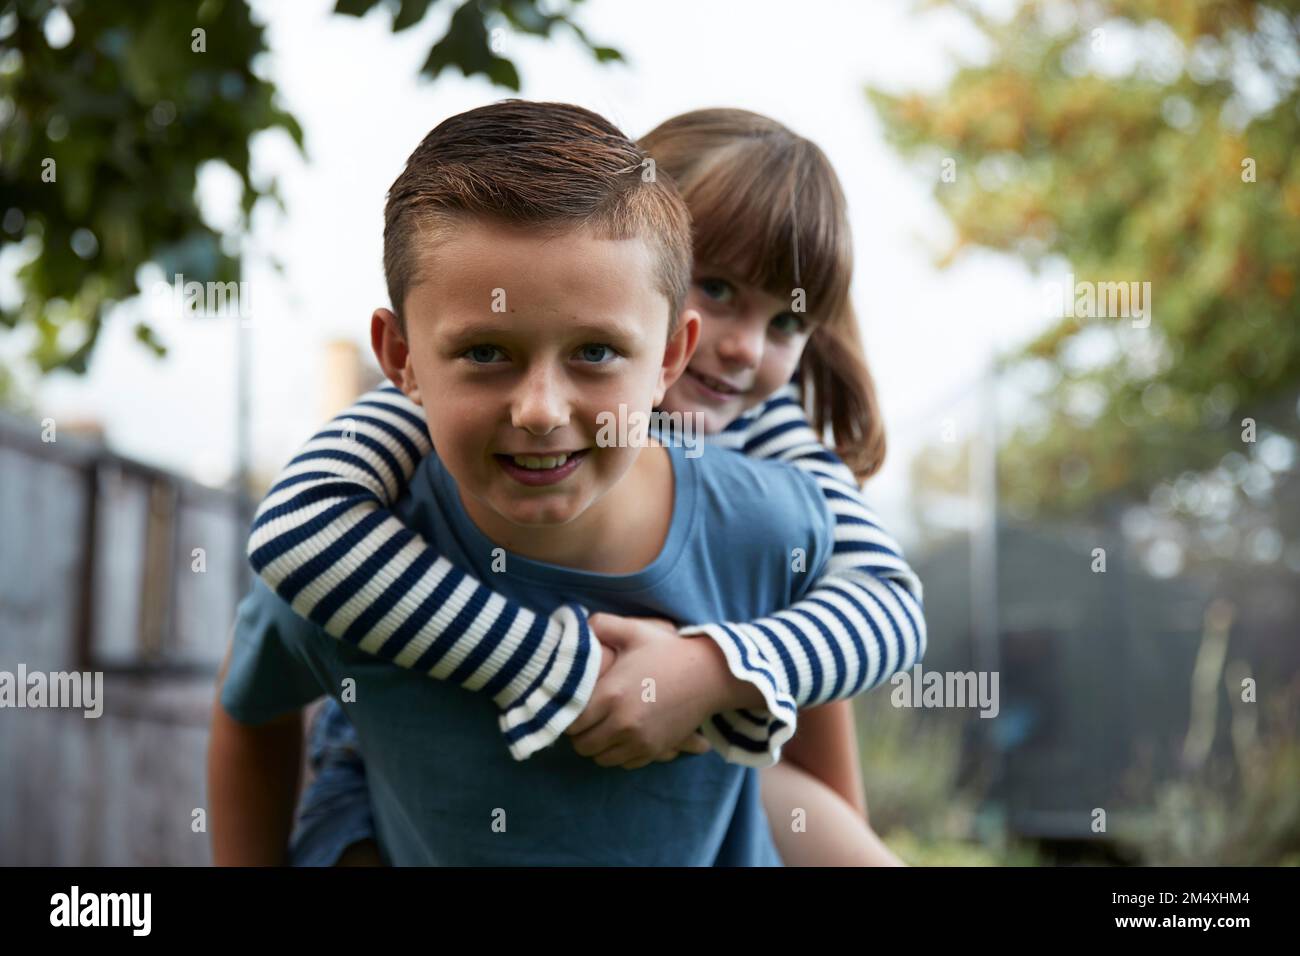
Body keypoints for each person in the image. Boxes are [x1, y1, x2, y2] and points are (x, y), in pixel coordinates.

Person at [223, 104, 927, 866]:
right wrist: (557, 670)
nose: (742, 349)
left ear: (663, 345)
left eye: (785, 323)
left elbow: (881, 614)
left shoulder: (773, 465)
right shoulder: (429, 415)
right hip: (380, 781)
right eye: (718, 288)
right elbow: (297, 534)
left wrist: (713, 669)